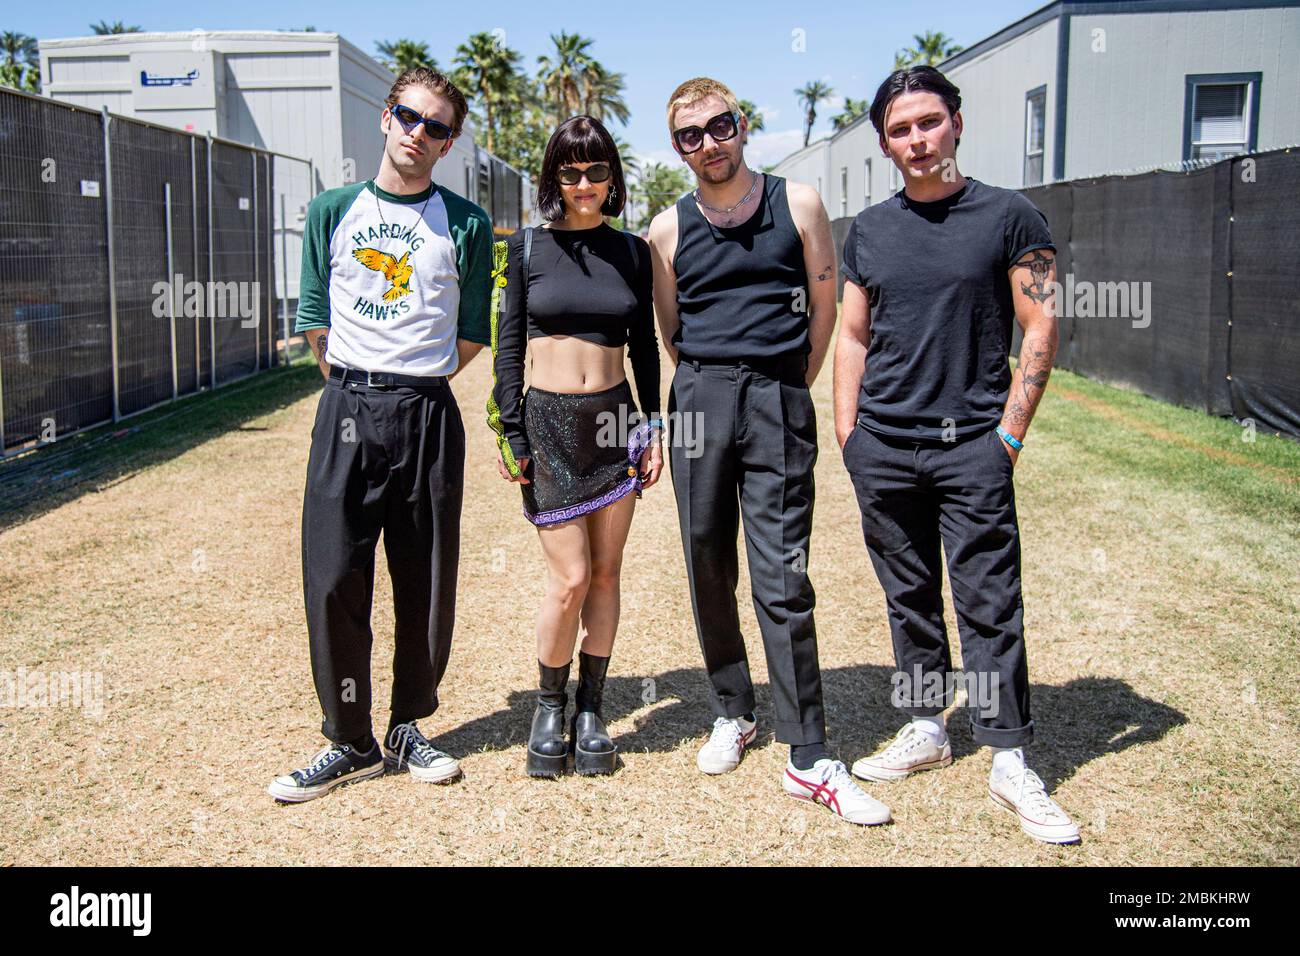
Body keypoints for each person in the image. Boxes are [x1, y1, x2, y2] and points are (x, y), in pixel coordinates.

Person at [833, 66, 1079, 844]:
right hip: (886, 448)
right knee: (908, 597)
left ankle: (1008, 754)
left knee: (988, 601)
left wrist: (1006, 438)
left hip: (973, 445)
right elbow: (852, 334)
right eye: (901, 129)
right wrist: (850, 433)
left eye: (929, 122)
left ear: (957, 124)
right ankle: (925, 727)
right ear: (884, 142)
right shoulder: (869, 228)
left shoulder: (1012, 216)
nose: (917, 139)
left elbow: (1040, 326)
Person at [647, 77, 890, 825]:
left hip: (779, 398)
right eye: (690, 135)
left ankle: (808, 751)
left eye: (719, 126)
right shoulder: (666, 230)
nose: (708, 144)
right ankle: (733, 707)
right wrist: (711, 390)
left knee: (782, 576)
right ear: (678, 147)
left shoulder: (802, 203)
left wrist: (789, 384)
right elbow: (671, 329)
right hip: (700, 401)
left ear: (742, 125)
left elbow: (826, 305)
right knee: (706, 559)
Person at [267, 68, 493, 802]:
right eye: (409, 117)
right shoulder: (334, 210)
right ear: (386, 118)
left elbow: (470, 333)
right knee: (335, 576)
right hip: (347, 408)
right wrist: (361, 385)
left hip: (426, 413)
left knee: (423, 581)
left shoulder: (465, 222)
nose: (418, 134)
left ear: (450, 142)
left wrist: (412, 380)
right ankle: (349, 736)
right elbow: (314, 319)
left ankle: (407, 726)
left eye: (436, 127)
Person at [488, 115, 662, 777]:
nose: (585, 183)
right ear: (554, 177)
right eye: (571, 171)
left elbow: (643, 346)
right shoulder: (528, 248)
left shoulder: (634, 252)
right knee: (570, 579)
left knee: (608, 574)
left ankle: (592, 707)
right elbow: (508, 346)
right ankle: (549, 704)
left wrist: (655, 425)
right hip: (550, 428)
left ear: (612, 178)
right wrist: (512, 429)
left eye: (597, 171)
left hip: (615, 424)